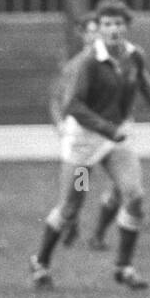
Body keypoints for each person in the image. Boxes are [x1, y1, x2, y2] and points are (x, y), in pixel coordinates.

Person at [30, 0, 150, 290]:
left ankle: (124, 266)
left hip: (114, 141)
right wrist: (107, 128)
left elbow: (148, 87)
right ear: (100, 29)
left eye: (118, 23)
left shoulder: (134, 56)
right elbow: (73, 106)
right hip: (84, 143)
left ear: (126, 27)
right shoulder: (88, 63)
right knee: (71, 208)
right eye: (107, 24)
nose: (113, 29)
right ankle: (40, 262)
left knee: (133, 195)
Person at [46, 14, 121, 249]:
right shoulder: (75, 66)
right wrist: (59, 123)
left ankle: (97, 233)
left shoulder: (111, 62)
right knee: (79, 189)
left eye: (96, 31)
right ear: (82, 34)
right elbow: (58, 100)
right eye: (89, 31)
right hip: (82, 136)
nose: (94, 35)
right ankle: (71, 221)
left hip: (105, 136)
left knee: (122, 187)